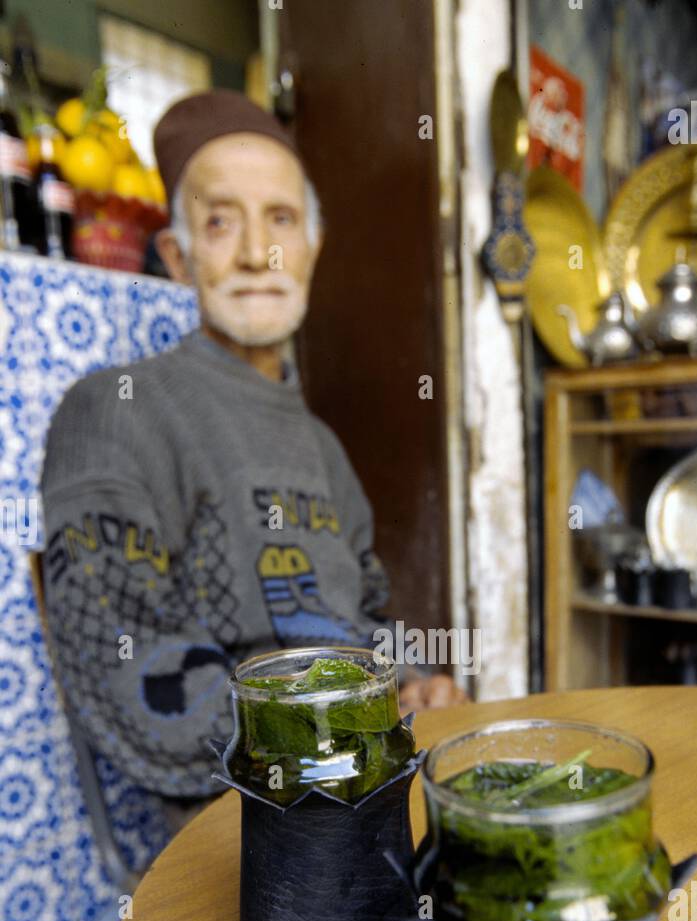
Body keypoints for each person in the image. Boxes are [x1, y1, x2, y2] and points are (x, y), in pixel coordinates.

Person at [40, 91, 466, 831]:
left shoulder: (324, 448)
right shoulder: (112, 411)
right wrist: (341, 732)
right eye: (218, 222)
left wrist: (416, 683)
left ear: (311, 244)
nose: (255, 253)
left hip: (362, 781)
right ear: (177, 255)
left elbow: (362, 617)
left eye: (280, 219)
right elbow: (130, 667)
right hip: (236, 824)